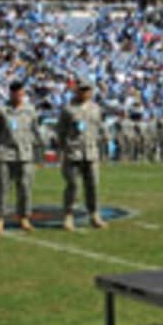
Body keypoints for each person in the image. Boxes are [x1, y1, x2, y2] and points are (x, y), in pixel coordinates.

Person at [0, 80, 42, 235]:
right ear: (10, 93)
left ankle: (24, 217)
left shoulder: (30, 110)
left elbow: (35, 131)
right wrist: (2, 144)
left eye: (21, 93)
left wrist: (36, 152)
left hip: (25, 154)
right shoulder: (1, 111)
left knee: (25, 187)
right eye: (16, 93)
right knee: (2, 188)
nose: (19, 96)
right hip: (5, 153)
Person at [57, 78, 107, 231]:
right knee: (73, 185)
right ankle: (68, 215)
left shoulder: (96, 109)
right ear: (77, 90)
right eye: (83, 89)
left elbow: (99, 128)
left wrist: (102, 143)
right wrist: (64, 149)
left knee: (93, 185)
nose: (86, 93)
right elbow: (61, 132)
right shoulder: (68, 109)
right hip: (74, 152)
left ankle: (94, 214)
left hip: (91, 152)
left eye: (88, 90)